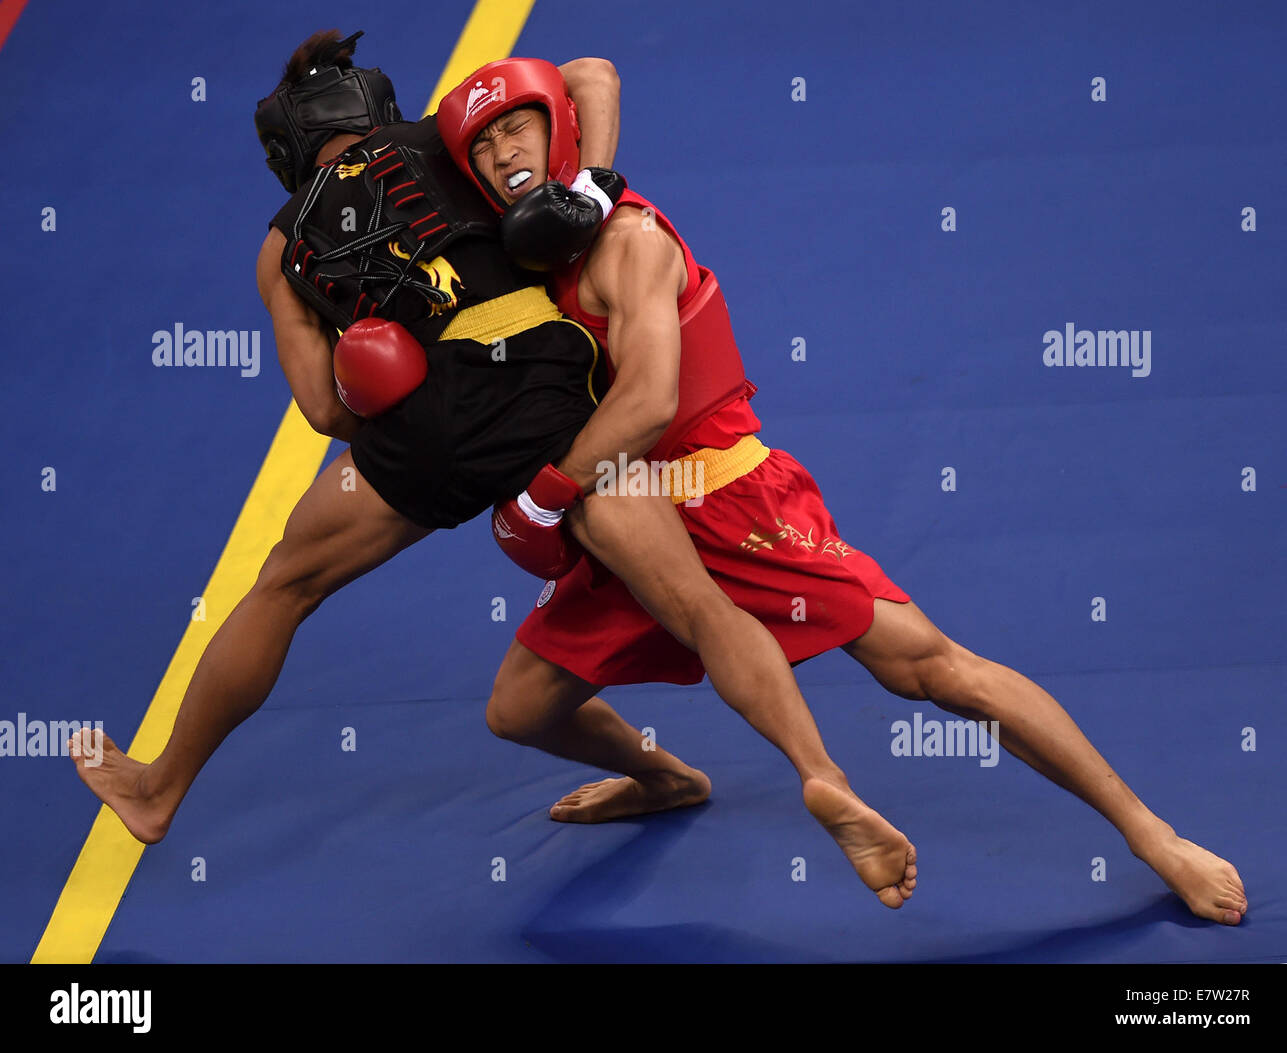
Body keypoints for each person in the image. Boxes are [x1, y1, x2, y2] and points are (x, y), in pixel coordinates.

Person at [69, 31, 916, 908]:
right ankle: (821, 773)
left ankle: (159, 785)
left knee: (284, 584)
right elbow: (590, 74)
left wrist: (377, 366)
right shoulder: (443, 133)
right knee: (697, 604)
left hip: (423, 430)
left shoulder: (280, 254)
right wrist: (584, 190)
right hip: (548, 394)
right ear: (376, 107)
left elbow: (326, 411)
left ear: (284, 152)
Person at [438, 57, 1248, 926]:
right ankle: (666, 777)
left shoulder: (628, 241)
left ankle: (1151, 833)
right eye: (479, 144)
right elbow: (582, 78)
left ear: (556, 127)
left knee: (933, 669)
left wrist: (543, 496)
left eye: (515, 127)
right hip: (627, 513)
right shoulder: (524, 250)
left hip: (723, 498)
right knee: (519, 707)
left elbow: (647, 400)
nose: (499, 152)